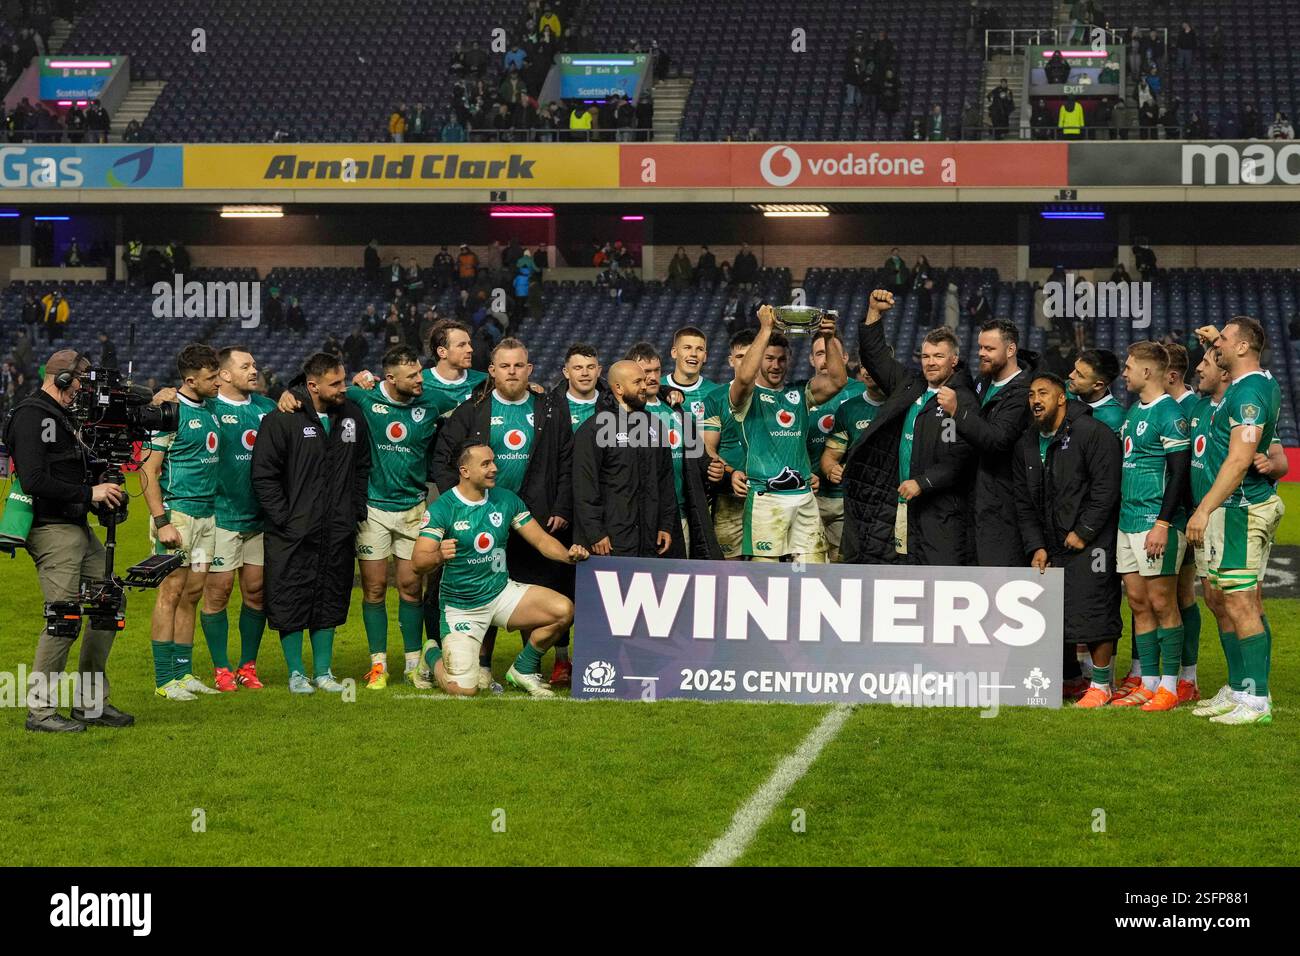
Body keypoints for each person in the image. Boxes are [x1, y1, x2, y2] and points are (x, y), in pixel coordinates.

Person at [281, 345, 442, 690]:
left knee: (412, 587)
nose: (420, 379)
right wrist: (288, 394)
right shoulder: (360, 398)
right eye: (412, 375)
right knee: (374, 588)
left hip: (415, 508)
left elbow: (468, 389)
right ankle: (378, 664)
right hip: (374, 509)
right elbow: (315, 388)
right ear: (389, 378)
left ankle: (413, 665)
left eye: (420, 372)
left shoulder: (432, 402)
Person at [431, 338, 573, 690]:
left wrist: (560, 507)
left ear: (530, 369)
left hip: (534, 518)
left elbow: (567, 461)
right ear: (492, 371)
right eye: (505, 366)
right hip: (483, 521)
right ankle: (481, 666)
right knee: (484, 591)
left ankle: (528, 665)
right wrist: (462, 507)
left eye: (519, 365)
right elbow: (443, 459)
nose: (512, 372)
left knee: (537, 592)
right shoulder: (472, 410)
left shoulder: (551, 407)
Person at [3, 351, 133, 731]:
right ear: (61, 379)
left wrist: (102, 491)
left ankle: (90, 704)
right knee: (63, 616)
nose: (82, 390)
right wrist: (89, 493)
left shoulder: (63, 418)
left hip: (76, 526)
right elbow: (33, 480)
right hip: (50, 528)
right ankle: (40, 712)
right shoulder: (32, 416)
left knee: (109, 601)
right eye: (79, 382)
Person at [412, 442, 586, 698]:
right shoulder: (442, 508)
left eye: (493, 462)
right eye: (486, 464)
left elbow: (541, 540)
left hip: (501, 593)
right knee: (463, 691)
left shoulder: (506, 500)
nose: (494, 468)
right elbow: (418, 563)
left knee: (563, 610)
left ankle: (523, 670)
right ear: (465, 471)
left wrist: (569, 556)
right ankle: (431, 654)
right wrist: (438, 555)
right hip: (462, 608)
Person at [1184, 319, 1286, 724]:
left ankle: (1256, 699)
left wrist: (1204, 508)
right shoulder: (1251, 383)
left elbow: (1241, 459)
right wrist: (1215, 339)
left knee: (1242, 601)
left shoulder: (1250, 392)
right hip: (1233, 511)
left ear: (1242, 347)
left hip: (1242, 509)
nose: (1216, 344)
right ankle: (1241, 686)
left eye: (1224, 339)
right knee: (1227, 599)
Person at [251, 353, 371, 692]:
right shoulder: (282, 418)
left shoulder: (351, 416)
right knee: (290, 596)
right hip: (292, 530)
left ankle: (323, 671)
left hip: (338, 527)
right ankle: (296, 673)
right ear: (312, 385)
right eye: (335, 384)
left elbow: (362, 466)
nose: (342, 388)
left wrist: (354, 509)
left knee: (330, 595)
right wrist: (286, 519)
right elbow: (264, 476)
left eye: (343, 380)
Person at [840, 290, 976, 565]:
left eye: (938, 356)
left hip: (941, 512)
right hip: (899, 504)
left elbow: (960, 457)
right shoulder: (909, 386)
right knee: (902, 574)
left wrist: (923, 483)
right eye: (926, 356)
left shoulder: (961, 399)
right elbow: (875, 357)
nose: (930, 362)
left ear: (954, 360)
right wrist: (874, 314)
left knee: (937, 582)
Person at [1015, 372, 1122, 707]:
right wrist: (1037, 545)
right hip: (1050, 544)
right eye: (1032, 394)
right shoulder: (1027, 442)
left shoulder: (1093, 433)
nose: (1035, 400)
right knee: (1057, 613)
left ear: (1062, 398)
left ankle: (1102, 685)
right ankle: (1073, 679)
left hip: (1091, 542)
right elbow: (1023, 501)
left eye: (1043, 393)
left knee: (1094, 609)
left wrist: (1085, 531)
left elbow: (1106, 488)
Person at [728, 305, 847, 563]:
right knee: (765, 575)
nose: (775, 365)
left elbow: (838, 381)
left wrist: (828, 338)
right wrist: (766, 328)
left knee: (813, 572)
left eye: (782, 359)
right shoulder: (745, 395)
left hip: (804, 495)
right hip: (765, 497)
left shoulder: (800, 392)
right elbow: (745, 377)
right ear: (759, 358)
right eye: (769, 358)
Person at [1109, 342, 1191, 711]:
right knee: (1139, 603)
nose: (1124, 372)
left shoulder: (1170, 414)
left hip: (1154, 523)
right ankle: (1149, 682)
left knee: (1163, 603)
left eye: (1129, 367)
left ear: (1147, 372)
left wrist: (1162, 523)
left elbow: (1179, 475)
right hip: (1127, 522)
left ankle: (1171, 687)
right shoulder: (1132, 412)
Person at [141, 344, 224, 700]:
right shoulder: (169, 412)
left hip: (207, 516)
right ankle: (164, 681)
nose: (218, 381)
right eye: (210, 378)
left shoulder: (212, 407)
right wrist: (162, 522)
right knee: (170, 593)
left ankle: (184, 673)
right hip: (179, 515)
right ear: (191, 380)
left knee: (192, 594)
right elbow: (148, 469)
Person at [198, 347, 278, 692]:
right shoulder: (210, 407)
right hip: (220, 517)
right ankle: (220, 668)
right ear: (225, 374)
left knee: (256, 593)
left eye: (255, 365)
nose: (254, 370)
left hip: (259, 518)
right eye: (245, 366)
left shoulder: (267, 408)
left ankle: (248, 665)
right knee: (218, 591)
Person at [940, 318, 1033, 567]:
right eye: (980, 347)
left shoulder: (1023, 392)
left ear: (1011, 350)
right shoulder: (982, 382)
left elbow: (996, 440)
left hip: (1004, 504)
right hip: (976, 498)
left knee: (998, 580)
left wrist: (957, 412)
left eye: (989, 349)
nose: (981, 353)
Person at [626, 342, 725, 560]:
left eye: (656, 371)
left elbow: (697, 456)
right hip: (640, 518)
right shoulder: (622, 415)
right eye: (644, 372)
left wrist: (711, 468)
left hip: (681, 514)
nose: (652, 378)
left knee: (681, 581)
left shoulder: (677, 411)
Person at [573, 359, 677, 559]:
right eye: (637, 382)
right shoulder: (594, 429)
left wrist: (666, 524)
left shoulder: (655, 426)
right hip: (611, 541)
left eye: (644, 382)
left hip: (650, 538)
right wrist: (595, 532)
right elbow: (584, 486)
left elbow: (665, 480)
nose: (644, 387)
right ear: (619, 388)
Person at [805, 335, 868, 563]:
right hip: (809, 497)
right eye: (820, 354)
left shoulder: (862, 394)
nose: (825, 360)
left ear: (844, 358)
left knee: (843, 569)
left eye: (830, 354)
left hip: (847, 499)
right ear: (811, 359)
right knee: (808, 569)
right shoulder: (799, 397)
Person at [1067, 348, 1125, 434]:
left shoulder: (1114, 419)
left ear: (1098, 385)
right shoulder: (1062, 389)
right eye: (1075, 369)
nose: (1071, 375)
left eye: (1079, 375)